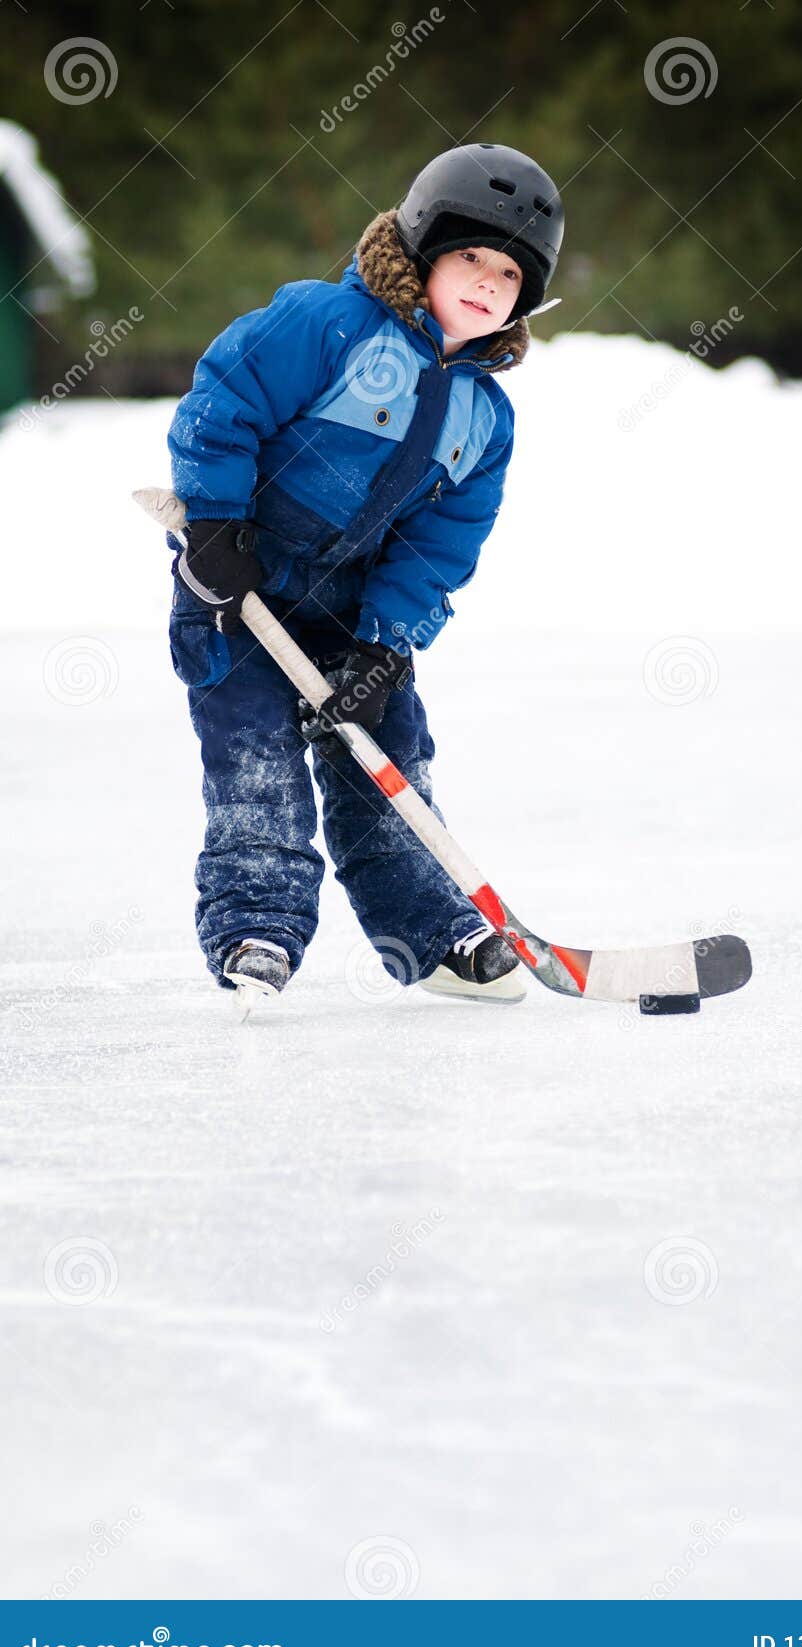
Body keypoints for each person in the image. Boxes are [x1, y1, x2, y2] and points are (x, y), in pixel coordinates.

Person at [165, 143, 564, 1006]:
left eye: (508, 274)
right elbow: (221, 404)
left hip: (351, 612)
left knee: (389, 762)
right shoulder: (324, 325)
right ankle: (256, 932)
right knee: (255, 761)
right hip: (237, 589)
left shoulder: (484, 416)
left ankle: (434, 932)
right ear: (422, 246)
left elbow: (441, 544)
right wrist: (217, 527)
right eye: (469, 256)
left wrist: (385, 645)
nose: (487, 283)